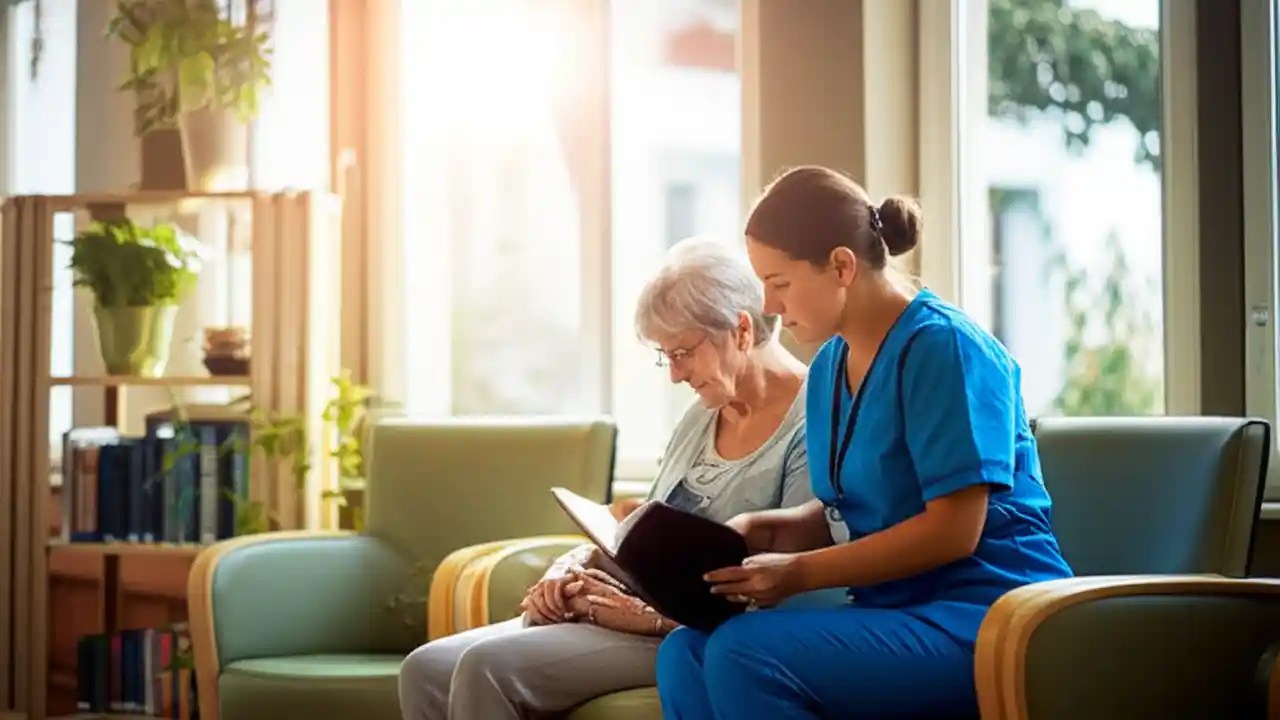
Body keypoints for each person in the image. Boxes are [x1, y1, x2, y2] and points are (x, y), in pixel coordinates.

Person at [655, 166, 1074, 720]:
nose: (770, 307)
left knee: (744, 652)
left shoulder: (945, 348)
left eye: (778, 283)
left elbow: (955, 529)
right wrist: (768, 531)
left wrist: (799, 572)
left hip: (992, 613)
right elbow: (850, 506)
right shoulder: (830, 365)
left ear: (841, 266)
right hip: (894, 608)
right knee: (683, 652)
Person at [398, 238, 814, 720]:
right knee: (424, 667)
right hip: (626, 607)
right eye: (667, 356)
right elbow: (644, 536)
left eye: (682, 353)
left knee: (485, 667)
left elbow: (791, 591)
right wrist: (569, 569)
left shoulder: (811, 422)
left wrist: (644, 619)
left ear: (741, 329)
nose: (676, 375)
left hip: (692, 632)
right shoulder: (701, 416)